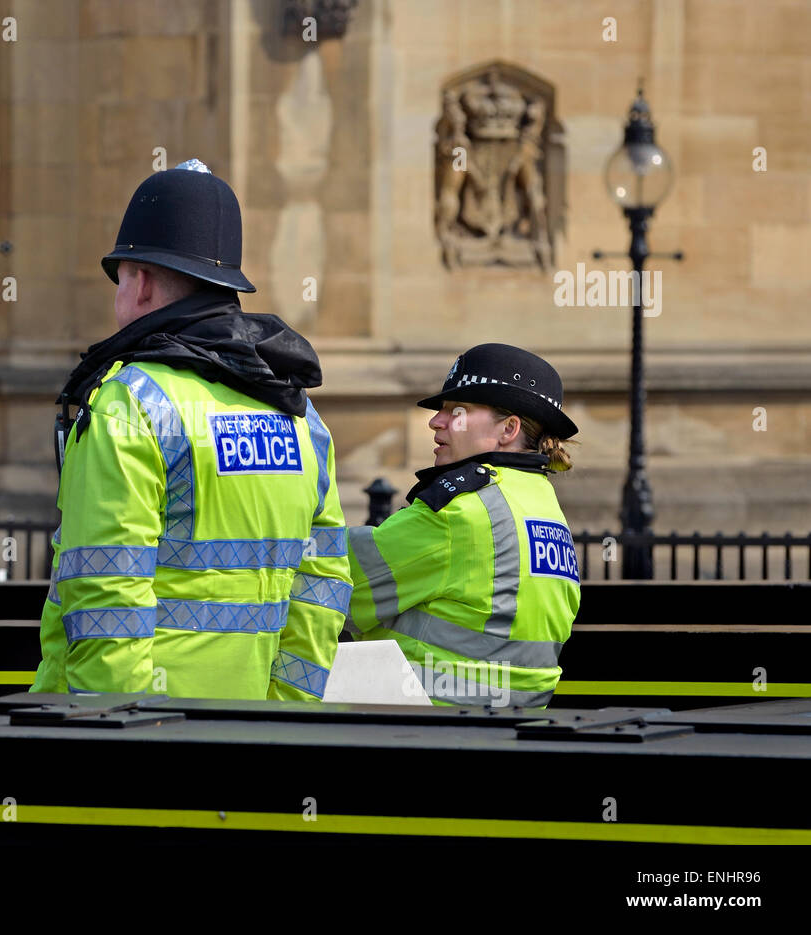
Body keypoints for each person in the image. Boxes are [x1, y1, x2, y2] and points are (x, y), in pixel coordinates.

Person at [31, 159, 350, 701]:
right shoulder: (300, 415)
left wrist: (122, 732)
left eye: (120, 279)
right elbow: (322, 588)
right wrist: (290, 716)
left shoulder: (129, 403)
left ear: (143, 283)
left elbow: (108, 595)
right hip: (259, 732)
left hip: (141, 737)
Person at [346, 343, 580, 707]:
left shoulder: (463, 511)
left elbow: (337, 585)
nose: (435, 421)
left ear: (508, 429)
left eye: (457, 411)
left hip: (422, 722)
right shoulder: (543, 504)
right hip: (515, 723)